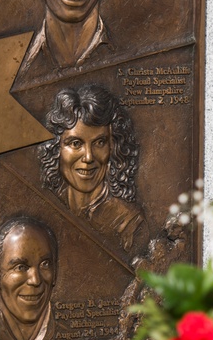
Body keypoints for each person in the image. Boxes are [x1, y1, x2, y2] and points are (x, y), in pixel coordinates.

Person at [40, 84, 147, 254]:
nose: (89, 157)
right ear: (56, 148)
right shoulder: (46, 206)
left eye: (99, 143)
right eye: (76, 143)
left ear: (113, 147)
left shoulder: (128, 223)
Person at [0, 217, 58, 340]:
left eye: (45, 264)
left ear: (55, 273)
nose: (35, 280)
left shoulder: (78, 338)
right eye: (21, 267)